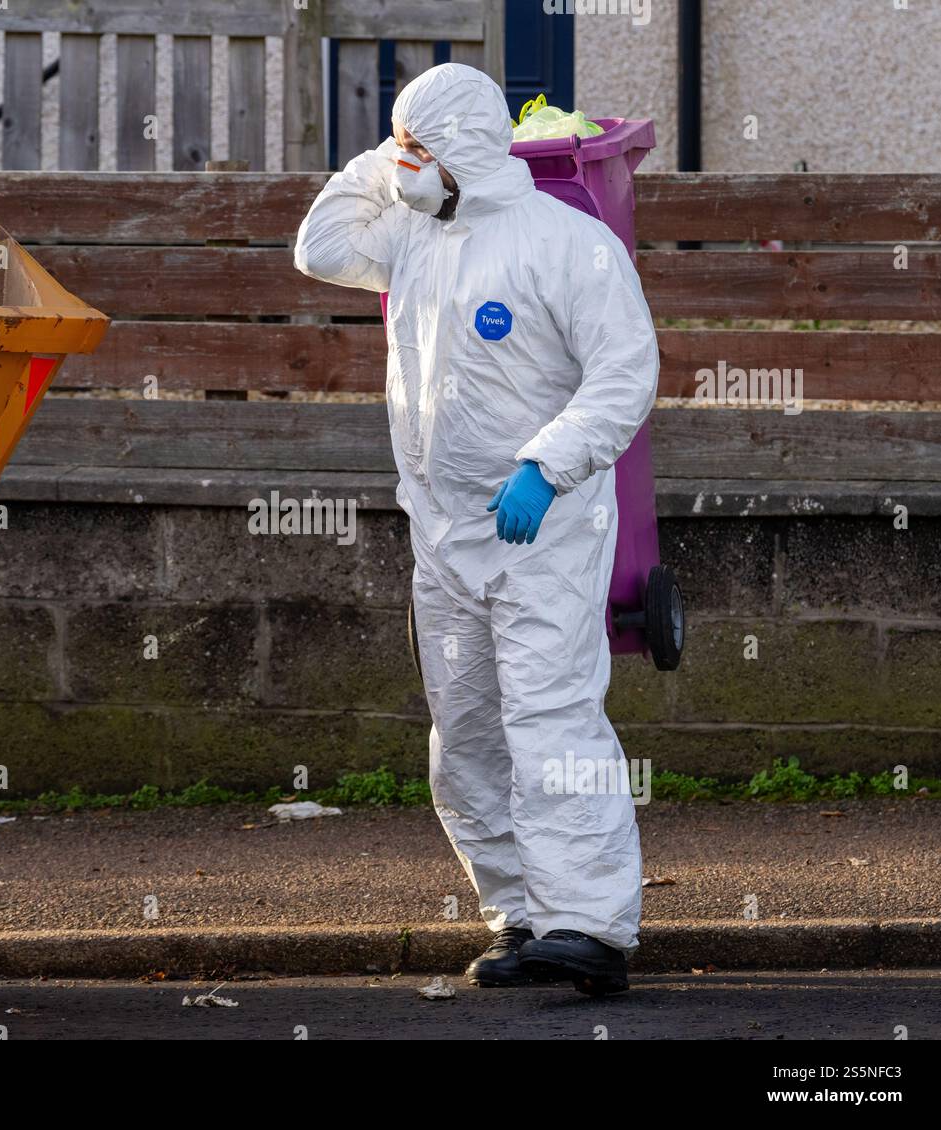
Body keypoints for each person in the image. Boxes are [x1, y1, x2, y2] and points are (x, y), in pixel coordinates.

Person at [294, 64, 659, 996]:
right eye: (402, 148)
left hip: (544, 529)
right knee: (465, 735)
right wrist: (390, 157)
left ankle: (590, 926)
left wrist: (549, 464)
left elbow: (624, 373)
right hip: (442, 531)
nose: (406, 166)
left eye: (421, 149)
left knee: (551, 718)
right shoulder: (413, 235)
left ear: (465, 151)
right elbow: (320, 246)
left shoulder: (565, 243)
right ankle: (521, 913)